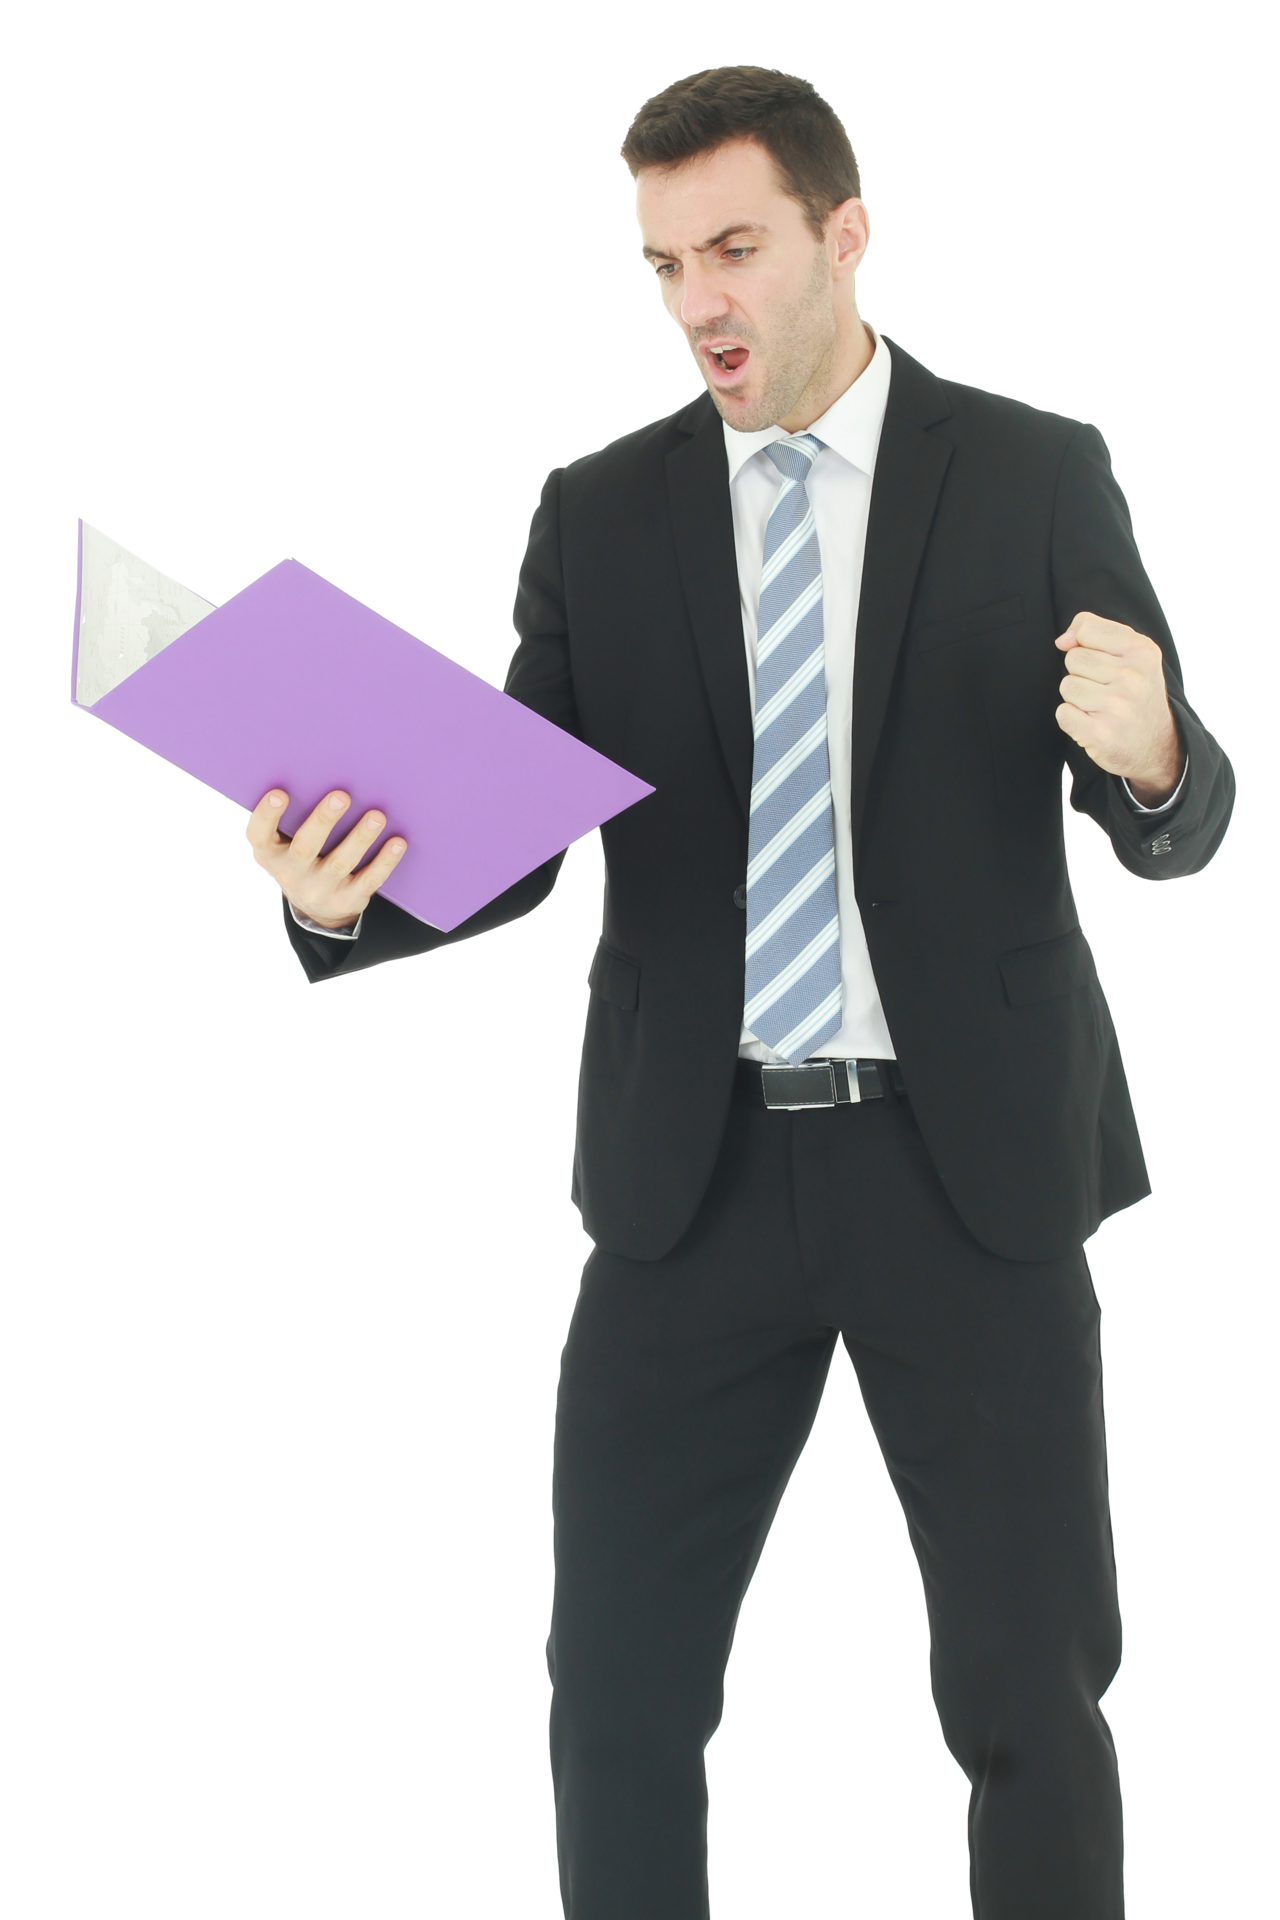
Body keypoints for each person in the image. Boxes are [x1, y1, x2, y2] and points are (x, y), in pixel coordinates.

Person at [242, 64, 1235, 1920]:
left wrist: (1162, 756)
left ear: (845, 235)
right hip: (687, 1180)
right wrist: (345, 899)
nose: (698, 300)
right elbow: (518, 834)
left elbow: (1174, 811)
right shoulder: (596, 509)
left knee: (1031, 1701)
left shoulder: (1037, 467)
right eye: (661, 264)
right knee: (612, 1695)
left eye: (735, 250)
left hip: (968, 1168)